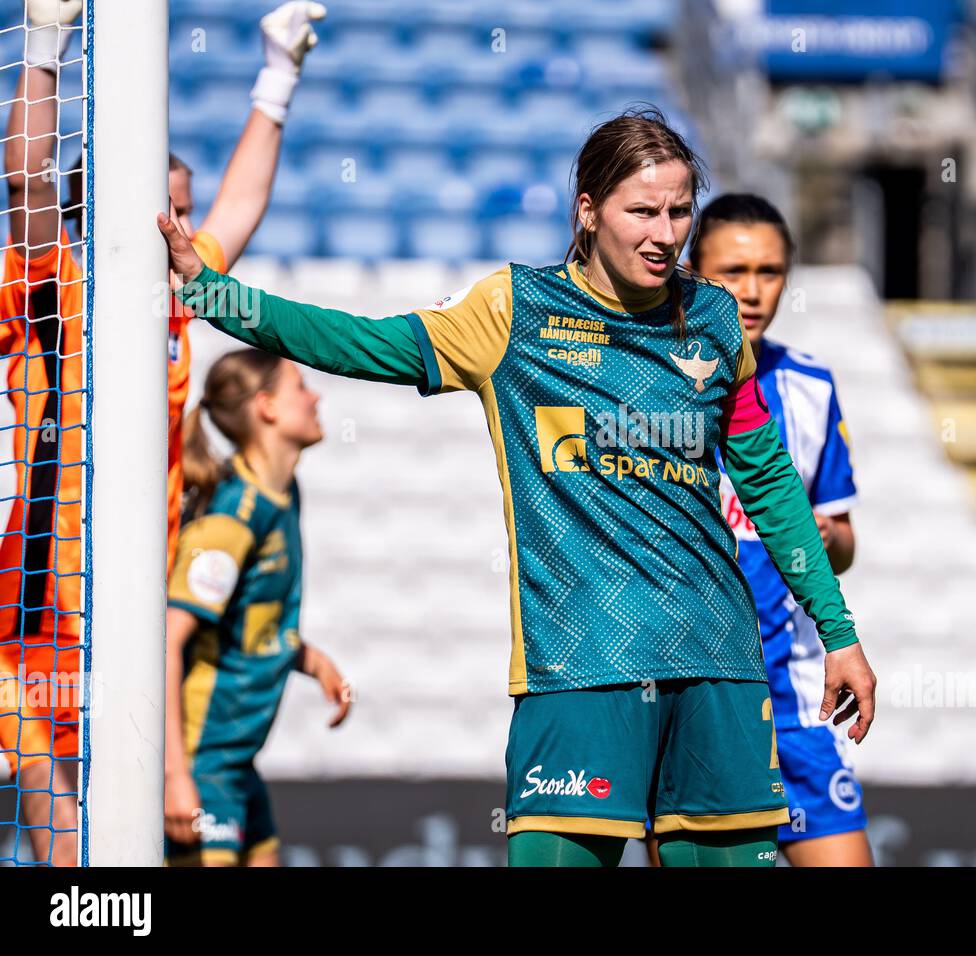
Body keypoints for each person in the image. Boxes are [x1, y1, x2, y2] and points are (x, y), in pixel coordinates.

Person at [159, 106, 877, 868]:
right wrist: (213, 295)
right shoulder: (514, 311)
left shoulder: (714, 319)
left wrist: (839, 633)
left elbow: (769, 485)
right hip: (580, 667)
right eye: (643, 211)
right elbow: (360, 342)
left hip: (719, 667)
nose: (665, 234)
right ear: (589, 211)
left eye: (678, 211)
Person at [0, 0, 324, 865]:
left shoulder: (170, 306)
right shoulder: (54, 283)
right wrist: (42, 45)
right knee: (64, 849)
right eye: (163, 209)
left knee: (135, 852)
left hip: (136, 599)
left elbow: (244, 203)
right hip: (40, 605)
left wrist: (278, 72)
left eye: (182, 210)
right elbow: (27, 182)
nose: (181, 229)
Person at [653, 193, 872, 867]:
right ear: (693, 269)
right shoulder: (651, 380)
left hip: (799, 697)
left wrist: (818, 537)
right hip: (685, 693)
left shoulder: (810, 385)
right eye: (734, 271)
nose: (751, 292)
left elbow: (843, 540)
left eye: (770, 272)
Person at [164, 348, 349, 866]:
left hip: (239, 764)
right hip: (201, 766)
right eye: (300, 387)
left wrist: (311, 661)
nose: (316, 396)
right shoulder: (232, 518)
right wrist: (173, 778)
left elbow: (246, 621)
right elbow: (167, 643)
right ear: (266, 407)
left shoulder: (284, 492)